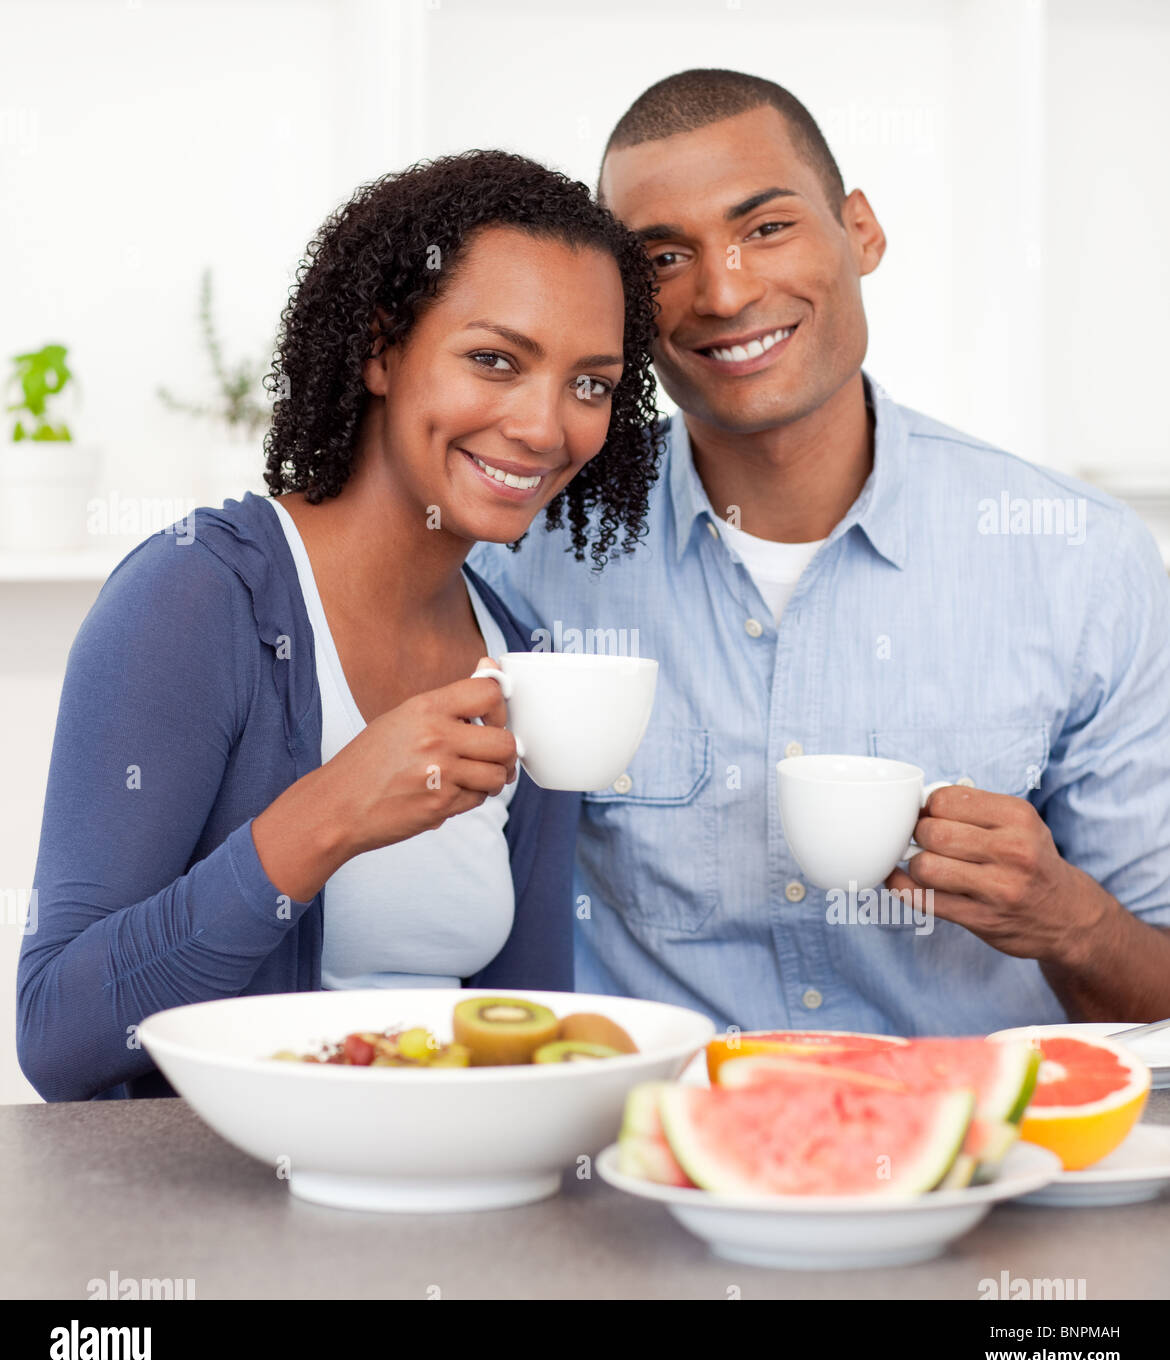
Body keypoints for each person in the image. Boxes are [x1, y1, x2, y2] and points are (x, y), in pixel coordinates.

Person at [472, 68, 1170, 1035]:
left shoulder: (1084, 563)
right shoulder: (520, 551)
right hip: (635, 1159)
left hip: (961, 1161)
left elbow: (1156, 987)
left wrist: (1068, 920)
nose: (725, 290)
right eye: (665, 258)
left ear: (861, 230)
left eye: (767, 228)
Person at [17, 150, 660, 1101]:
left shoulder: (524, 664)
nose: (543, 426)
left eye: (590, 384)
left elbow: (529, 1045)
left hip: (443, 1215)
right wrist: (331, 813)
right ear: (381, 348)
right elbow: (57, 1035)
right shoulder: (195, 596)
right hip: (211, 1221)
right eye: (495, 360)